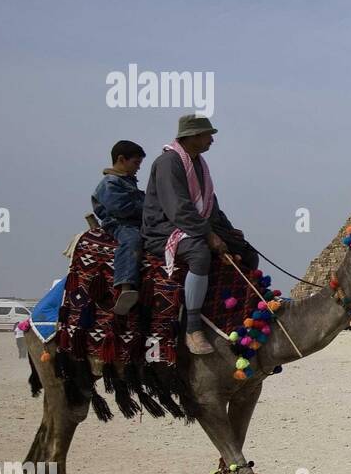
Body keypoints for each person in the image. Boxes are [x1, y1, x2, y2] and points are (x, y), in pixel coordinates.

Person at [142, 115, 257, 356]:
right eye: (208, 134)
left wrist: (227, 230)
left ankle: (237, 312)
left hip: (193, 225)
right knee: (200, 253)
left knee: (245, 250)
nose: (212, 139)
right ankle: (193, 328)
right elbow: (178, 208)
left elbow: (210, 206)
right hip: (165, 229)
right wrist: (209, 235)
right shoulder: (168, 163)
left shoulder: (199, 164)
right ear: (193, 136)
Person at [92, 140, 147, 316]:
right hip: (120, 224)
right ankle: (125, 286)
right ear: (122, 159)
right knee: (132, 241)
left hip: (137, 223)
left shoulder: (129, 182)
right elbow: (120, 209)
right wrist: (147, 210)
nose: (138, 168)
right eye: (136, 163)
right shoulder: (110, 182)